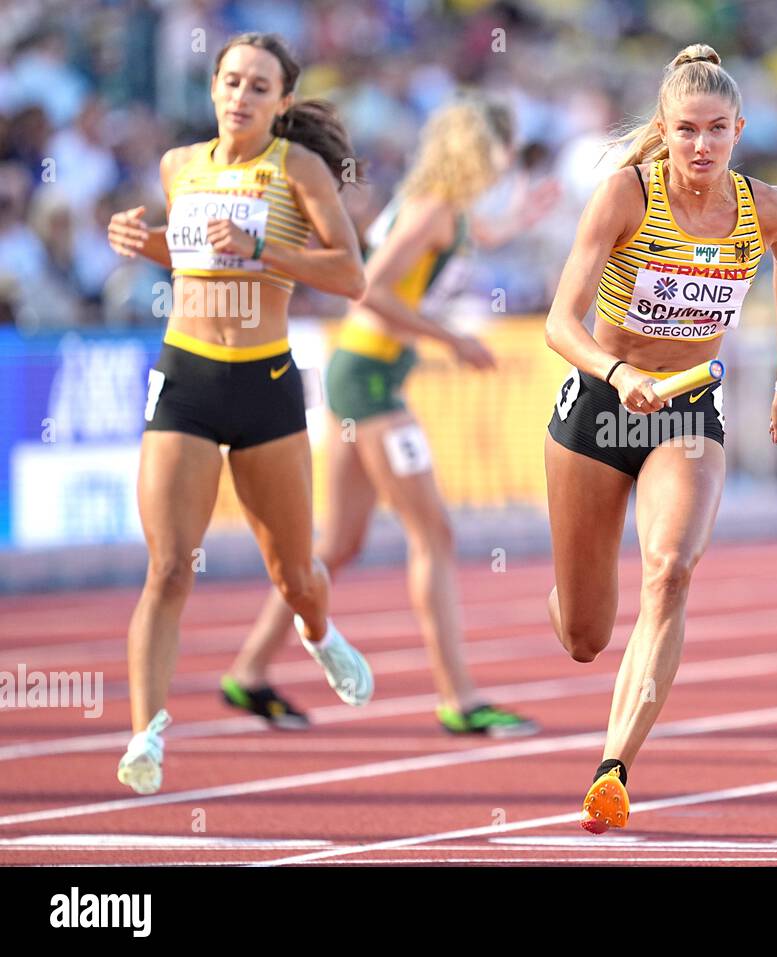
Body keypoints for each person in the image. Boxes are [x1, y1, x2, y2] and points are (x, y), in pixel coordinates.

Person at [220, 97, 554, 737]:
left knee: (336, 545)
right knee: (434, 535)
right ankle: (459, 698)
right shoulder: (432, 210)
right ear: (479, 154)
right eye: (500, 154)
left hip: (362, 373)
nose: (504, 166)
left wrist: (514, 221)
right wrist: (450, 338)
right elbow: (369, 288)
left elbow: (464, 237)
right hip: (370, 381)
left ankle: (250, 669)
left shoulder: (433, 204)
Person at [543, 44, 777, 832]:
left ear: (740, 130)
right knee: (586, 635)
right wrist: (615, 371)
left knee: (670, 568)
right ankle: (567, 589)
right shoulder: (625, 195)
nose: (701, 145)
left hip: (689, 407)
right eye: (687, 129)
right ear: (665, 128)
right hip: (600, 405)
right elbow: (561, 320)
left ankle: (613, 767)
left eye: (717, 130)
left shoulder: (772, 209)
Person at [105, 32, 372, 793]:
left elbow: (350, 273)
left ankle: (316, 631)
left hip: (266, 384)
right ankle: (147, 732)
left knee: (293, 574)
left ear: (283, 101)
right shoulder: (179, 166)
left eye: (259, 86)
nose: (241, 96)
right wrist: (145, 241)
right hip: (186, 375)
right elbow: (193, 254)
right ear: (214, 87)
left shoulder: (301, 169)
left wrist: (262, 249)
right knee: (166, 566)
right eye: (230, 81)